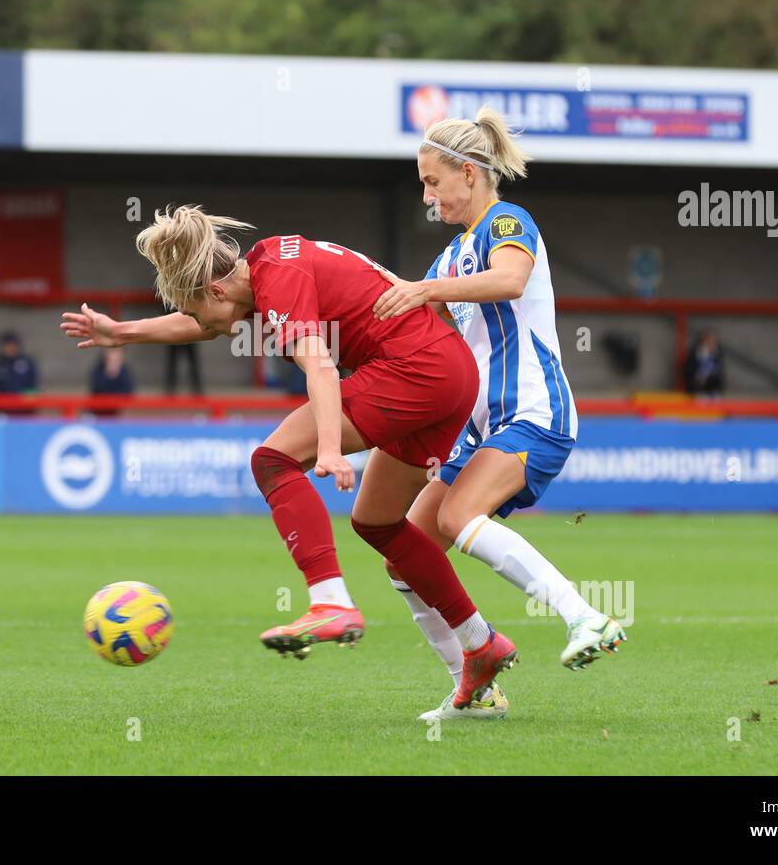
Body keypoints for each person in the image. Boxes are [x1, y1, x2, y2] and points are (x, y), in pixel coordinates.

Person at [63, 206, 516, 712]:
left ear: (214, 291)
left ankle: (330, 603)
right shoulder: (263, 271)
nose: (197, 321)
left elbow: (319, 366)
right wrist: (121, 333)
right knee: (378, 523)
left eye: (194, 309)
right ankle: (480, 642)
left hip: (414, 371)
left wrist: (326, 449)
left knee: (272, 460)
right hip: (447, 373)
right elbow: (206, 326)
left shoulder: (277, 280)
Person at [372, 107, 625, 721]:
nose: (428, 196)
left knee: (459, 515)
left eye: (434, 182)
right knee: (406, 554)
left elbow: (510, 282)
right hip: (483, 429)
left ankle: (587, 616)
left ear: (468, 172)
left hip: (536, 412)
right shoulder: (450, 258)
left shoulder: (507, 220)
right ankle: (475, 684)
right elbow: (408, 325)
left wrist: (423, 290)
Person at [89, 346, 134, 417]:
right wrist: (109, 375)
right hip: (99, 411)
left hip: (119, 411)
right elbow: (97, 389)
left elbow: (128, 392)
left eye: (117, 352)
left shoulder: (125, 372)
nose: (114, 356)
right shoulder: (98, 370)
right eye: (112, 352)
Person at [684, 328, 725, 397]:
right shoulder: (696, 353)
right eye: (708, 340)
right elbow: (688, 370)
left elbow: (719, 373)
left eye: (713, 341)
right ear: (703, 341)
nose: (710, 343)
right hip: (698, 390)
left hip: (713, 389)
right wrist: (696, 379)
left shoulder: (717, 354)